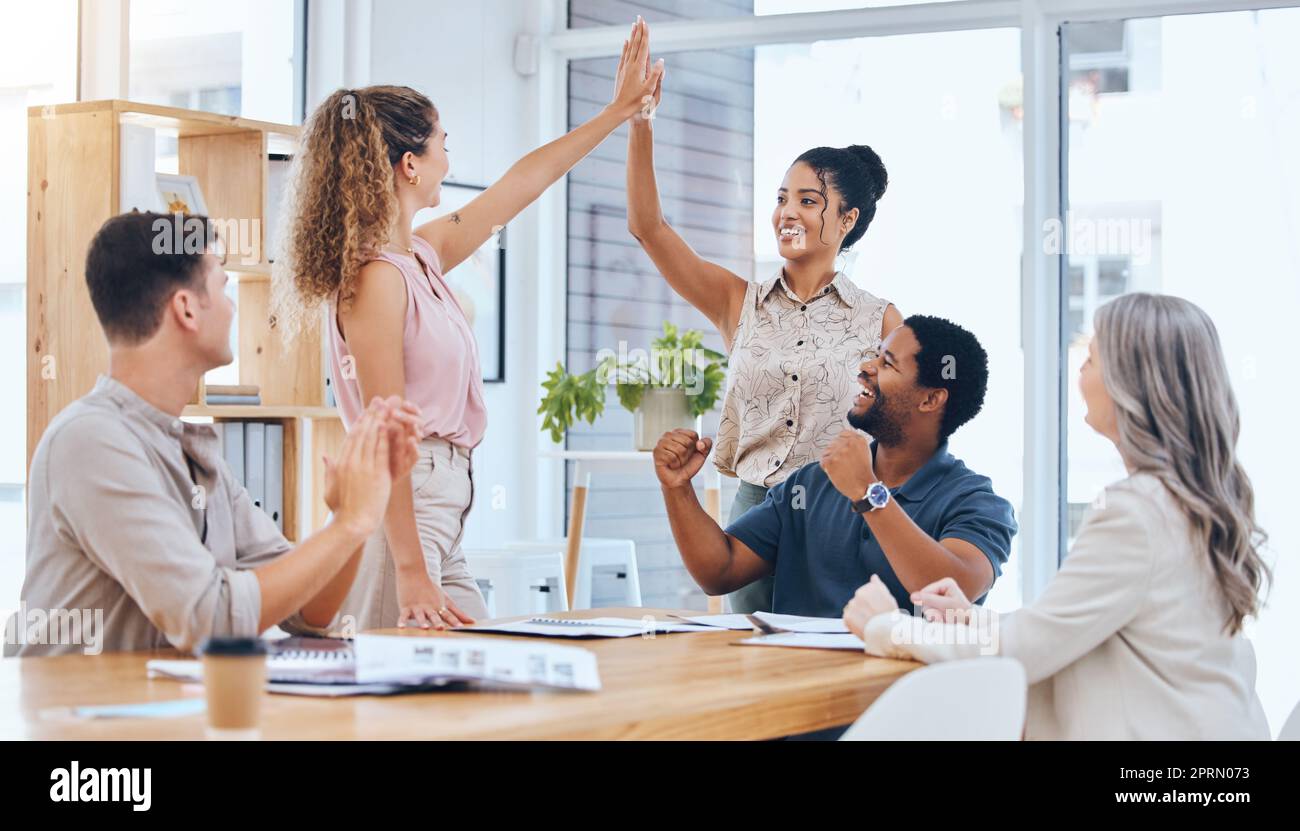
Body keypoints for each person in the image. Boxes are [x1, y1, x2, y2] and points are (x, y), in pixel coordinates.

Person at [275, 19, 664, 630]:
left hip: (444, 512)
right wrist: (409, 569)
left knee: (481, 678)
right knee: (406, 711)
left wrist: (618, 113)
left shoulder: (422, 255)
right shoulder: (376, 280)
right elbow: (385, 438)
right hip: (402, 518)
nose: (448, 157)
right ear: (410, 165)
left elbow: (522, 182)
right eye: (442, 143)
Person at [845, 293, 1272, 740]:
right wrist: (971, 619)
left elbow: (1021, 651)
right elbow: (1069, 626)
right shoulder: (1192, 501)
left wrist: (887, 627)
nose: (1081, 370)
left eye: (1092, 357)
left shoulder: (1136, 513)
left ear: (1135, 381)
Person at [5, 212, 422, 657]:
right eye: (223, 286)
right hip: (80, 723)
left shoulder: (192, 453)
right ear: (186, 308)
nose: (233, 306)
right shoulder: (90, 441)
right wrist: (347, 524)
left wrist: (357, 514)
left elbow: (309, 611)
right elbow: (208, 619)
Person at [626, 60, 902, 614]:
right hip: (753, 510)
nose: (786, 213)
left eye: (807, 200)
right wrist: (641, 121)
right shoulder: (738, 302)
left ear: (846, 220)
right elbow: (648, 228)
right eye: (782, 198)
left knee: (829, 663)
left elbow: (908, 433)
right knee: (751, 656)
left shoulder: (883, 322)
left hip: (840, 513)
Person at [654, 315, 1016, 617]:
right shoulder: (813, 483)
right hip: (799, 687)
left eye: (887, 363)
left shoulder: (977, 502)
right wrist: (678, 488)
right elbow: (721, 570)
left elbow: (952, 593)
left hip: (900, 695)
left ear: (932, 398)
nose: (866, 368)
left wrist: (867, 494)